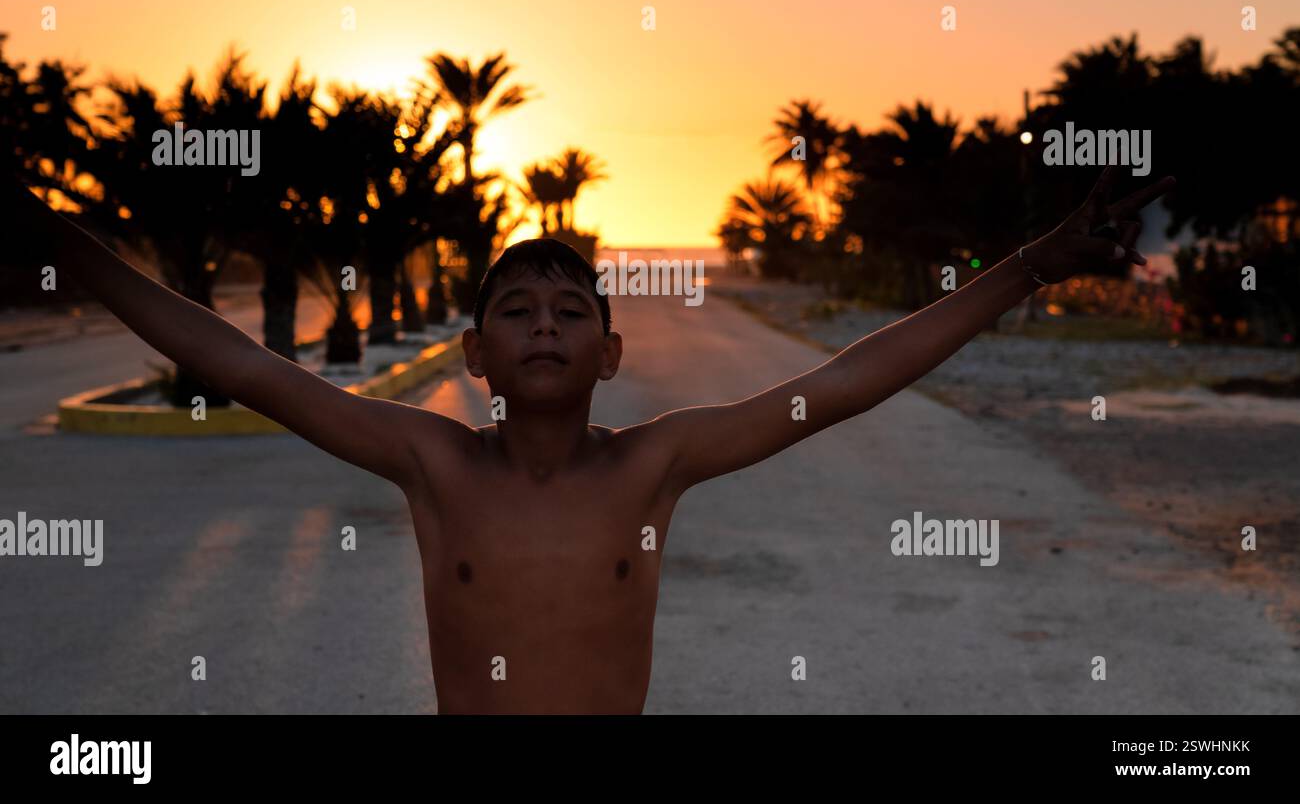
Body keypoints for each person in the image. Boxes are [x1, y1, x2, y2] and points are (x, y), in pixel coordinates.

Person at [5, 165, 1175, 713]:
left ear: (611, 355)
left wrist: (1025, 267)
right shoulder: (432, 460)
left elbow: (850, 377)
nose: (546, 323)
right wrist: (85, 252)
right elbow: (245, 365)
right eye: (515, 308)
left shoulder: (652, 462)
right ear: (476, 357)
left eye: (572, 309)